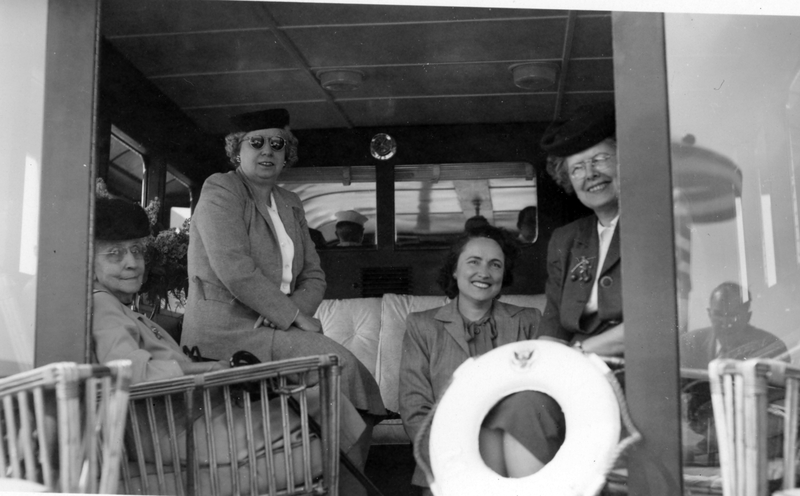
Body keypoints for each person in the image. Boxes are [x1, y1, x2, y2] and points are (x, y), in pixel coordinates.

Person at [90, 197, 369, 494]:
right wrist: (210, 368)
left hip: (187, 420)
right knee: (330, 407)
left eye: (135, 250)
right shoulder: (102, 304)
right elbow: (128, 374)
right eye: (115, 254)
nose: (132, 262)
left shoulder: (122, 310)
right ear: (89, 261)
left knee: (325, 403)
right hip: (177, 430)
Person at [180, 108, 386, 473]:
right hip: (229, 331)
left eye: (277, 144)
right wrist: (292, 317)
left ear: (287, 153)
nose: (267, 151)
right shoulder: (221, 190)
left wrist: (293, 317)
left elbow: (314, 274)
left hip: (274, 329)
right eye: (255, 142)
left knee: (355, 383)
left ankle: (335, 483)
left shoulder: (290, 201)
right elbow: (235, 270)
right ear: (235, 150)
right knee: (343, 368)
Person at [399, 225, 563, 494]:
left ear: (503, 275)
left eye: (495, 265)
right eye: (473, 262)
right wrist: (455, 465)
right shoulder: (422, 325)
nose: (484, 273)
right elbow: (415, 408)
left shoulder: (528, 320)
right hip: (449, 464)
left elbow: (546, 401)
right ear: (455, 269)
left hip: (519, 458)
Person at [538, 101, 624, 356]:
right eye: (577, 168)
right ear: (568, 180)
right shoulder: (565, 239)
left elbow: (659, 323)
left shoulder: (654, 223)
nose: (590, 173)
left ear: (623, 161)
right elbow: (553, 323)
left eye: (600, 159)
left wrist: (577, 354)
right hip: (577, 367)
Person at [680, 282, 789, 369]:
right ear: (709, 314)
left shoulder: (769, 346)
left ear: (748, 316)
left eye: (733, 316)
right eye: (718, 315)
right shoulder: (688, 344)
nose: (726, 323)